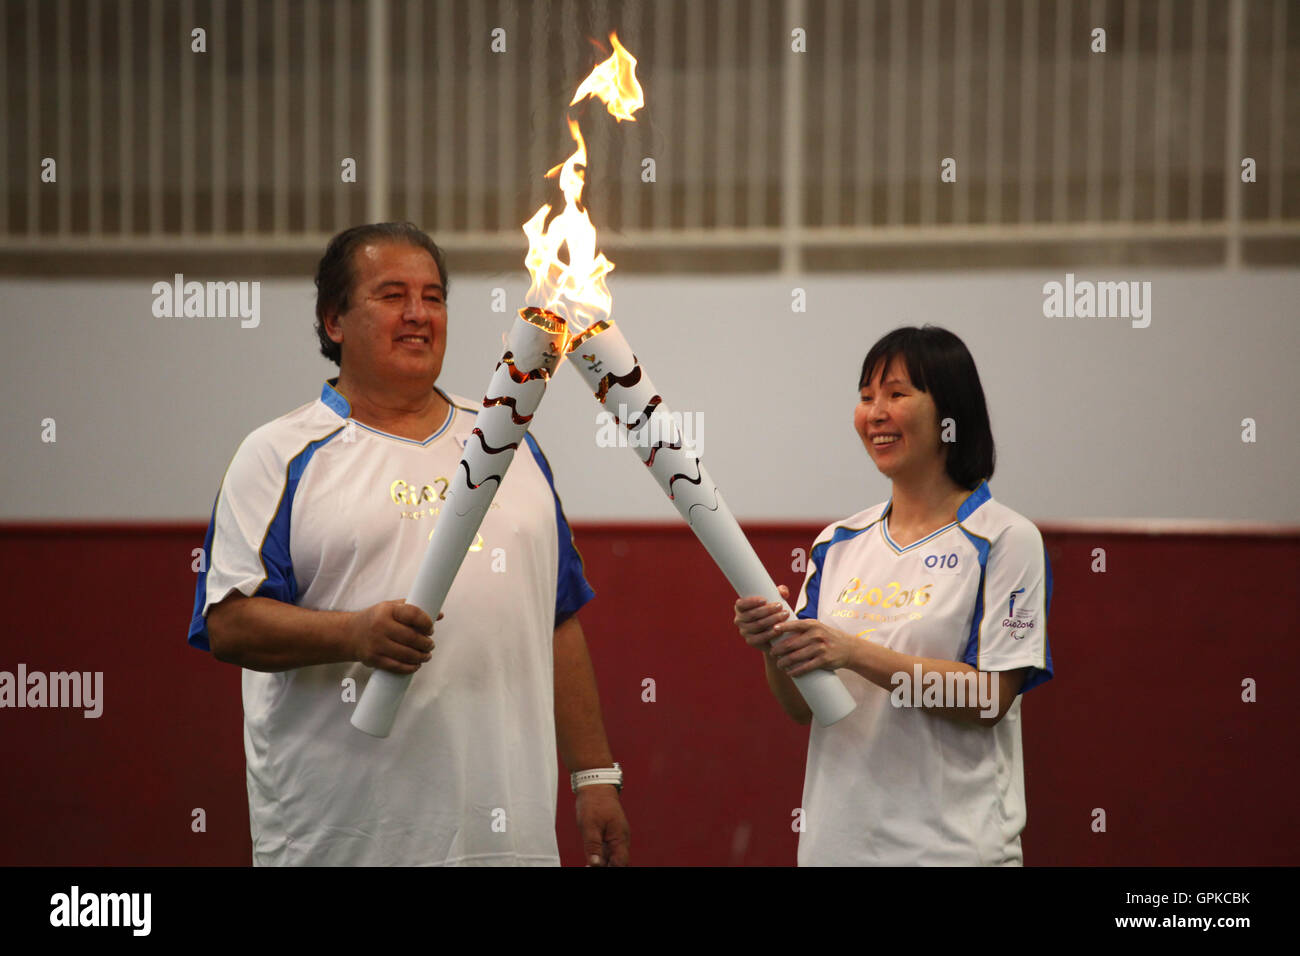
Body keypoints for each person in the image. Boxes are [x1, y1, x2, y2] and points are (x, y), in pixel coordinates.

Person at [187, 222, 629, 867]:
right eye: (392, 295)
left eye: (434, 296)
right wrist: (354, 634)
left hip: (507, 841)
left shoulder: (510, 442)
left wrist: (594, 777)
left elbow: (557, 618)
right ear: (333, 321)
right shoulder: (278, 454)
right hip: (344, 839)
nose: (419, 314)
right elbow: (228, 623)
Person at [734, 325, 1053, 866]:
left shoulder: (1005, 539)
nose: (875, 413)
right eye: (865, 397)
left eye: (897, 394)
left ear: (950, 412)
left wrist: (853, 652)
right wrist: (776, 646)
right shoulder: (837, 543)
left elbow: (988, 701)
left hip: (951, 852)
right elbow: (802, 708)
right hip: (836, 849)